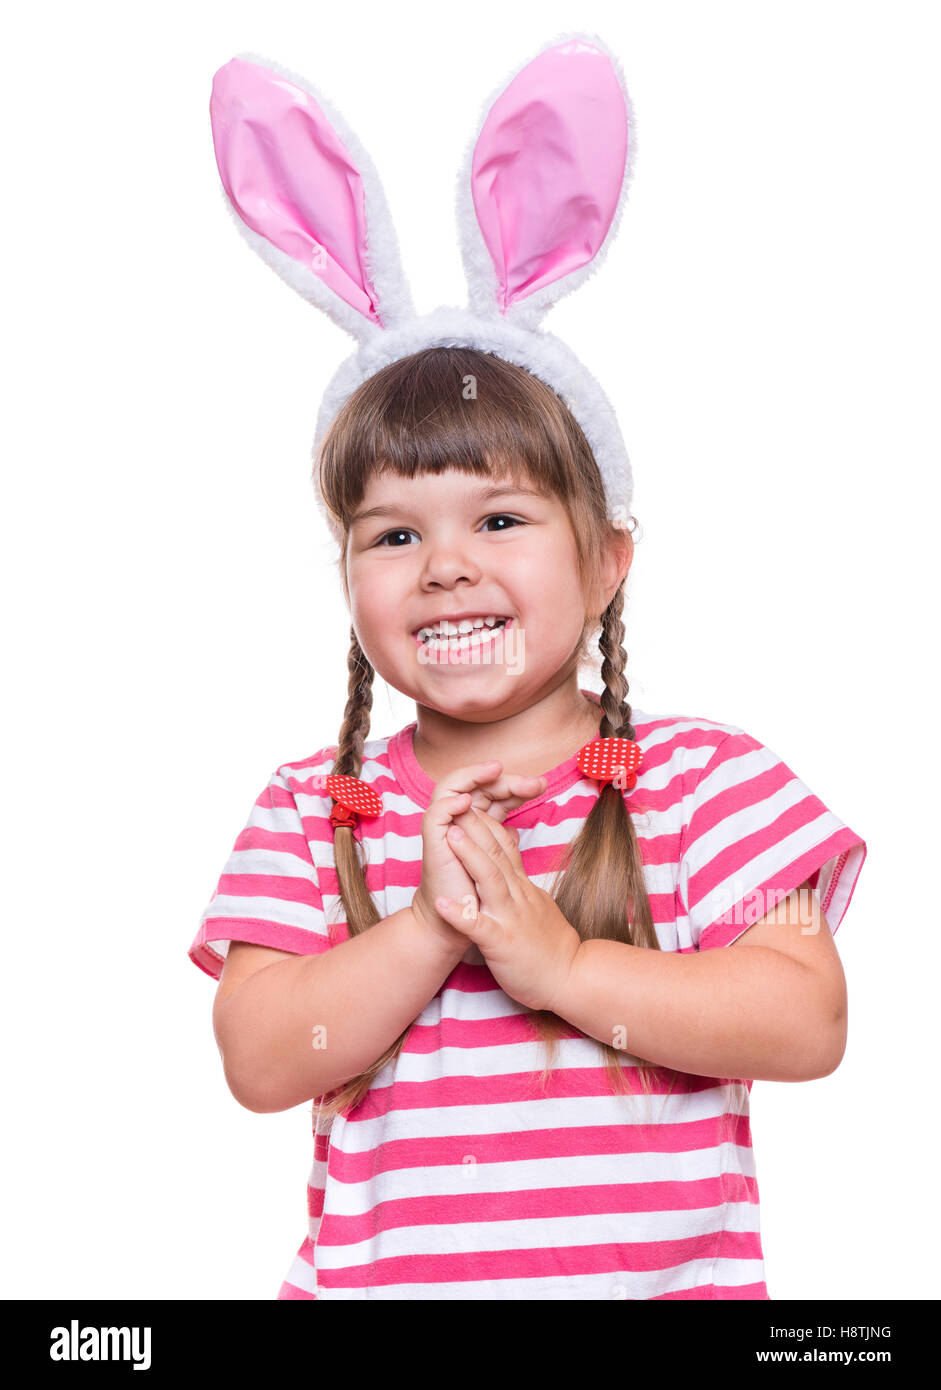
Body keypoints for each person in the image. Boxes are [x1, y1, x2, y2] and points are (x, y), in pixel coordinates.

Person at [188, 35, 866, 1300]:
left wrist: (558, 966)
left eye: (497, 520)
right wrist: (431, 925)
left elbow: (803, 1022)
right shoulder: (311, 804)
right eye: (393, 535)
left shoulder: (702, 781)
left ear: (608, 559)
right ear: (349, 574)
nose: (443, 565)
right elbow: (267, 1060)